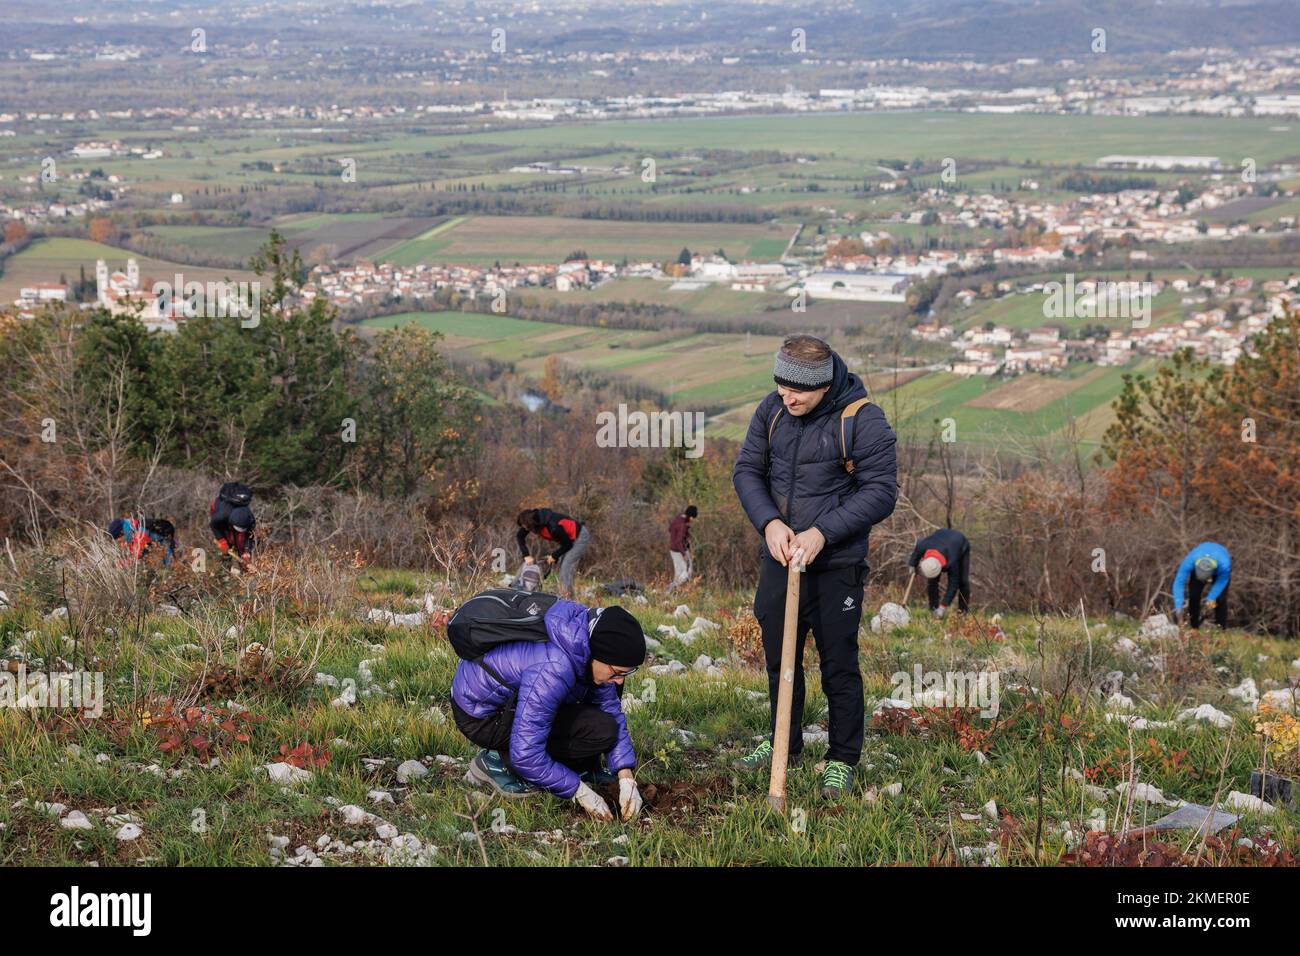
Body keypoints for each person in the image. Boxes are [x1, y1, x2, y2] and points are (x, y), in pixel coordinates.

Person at [731, 333, 898, 801]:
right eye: (781, 387)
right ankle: (785, 742)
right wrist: (769, 524)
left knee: (838, 665)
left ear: (824, 384)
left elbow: (881, 491)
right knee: (779, 661)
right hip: (780, 560)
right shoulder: (773, 411)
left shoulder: (861, 420)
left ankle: (841, 759)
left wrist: (822, 532)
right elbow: (747, 470)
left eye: (797, 391)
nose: (787, 397)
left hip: (835, 566)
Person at [448, 589, 646, 822]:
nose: (620, 680)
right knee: (528, 753)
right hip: (483, 716)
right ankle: (497, 761)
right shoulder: (554, 667)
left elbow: (610, 708)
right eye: (617, 672)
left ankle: (557, 763)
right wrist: (579, 792)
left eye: (627, 673)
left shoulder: (587, 640)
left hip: (516, 700)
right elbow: (527, 755)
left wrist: (625, 777)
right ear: (599, 655)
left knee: (603, 729)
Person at [516, 507, 589, 599]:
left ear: (530, 524)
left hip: (579, 537)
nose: (524, 529)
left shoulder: (553, 525)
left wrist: (554, 556)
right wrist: (526, 555)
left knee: (566, 566)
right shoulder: (533, 521)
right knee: (559, 565)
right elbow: (519, 536)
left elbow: (567, 544)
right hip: (567, 540)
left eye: (525, 526)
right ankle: (516, 587)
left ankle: (567, 599)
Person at [908, 528, 971, 617]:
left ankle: (962, 612)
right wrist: (912, 565)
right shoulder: (923, 545)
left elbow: (953, 585)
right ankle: (933, 608)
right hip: (941, 537)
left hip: (960, 543)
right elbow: (916, 552)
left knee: (963, 581)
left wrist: (943, 607)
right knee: (932, 581)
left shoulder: (952, 561)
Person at [1173, 541, 1231, 629]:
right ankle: (1194, 627)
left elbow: (1222, 582)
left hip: (1219, 570)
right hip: (1200, 564)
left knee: (1220, 599)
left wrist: (1211, 599)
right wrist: (1178, 606)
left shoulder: (1224, 564)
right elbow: (1179, 582)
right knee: (1193, 595)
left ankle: (1221, 629)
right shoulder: (1190, 560)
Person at [666, 505, 698, 594]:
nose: (693, 520)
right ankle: (670, 589)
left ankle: (677, 591)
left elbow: (670, 529)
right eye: (693, 518)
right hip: (679, 550)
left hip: (674, 549)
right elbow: (678, 541)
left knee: (681, 572)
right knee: (685, 573)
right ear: (690, 516)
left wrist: (686, 533)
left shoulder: (678, 519)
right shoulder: (682, 525)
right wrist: (683, 554)